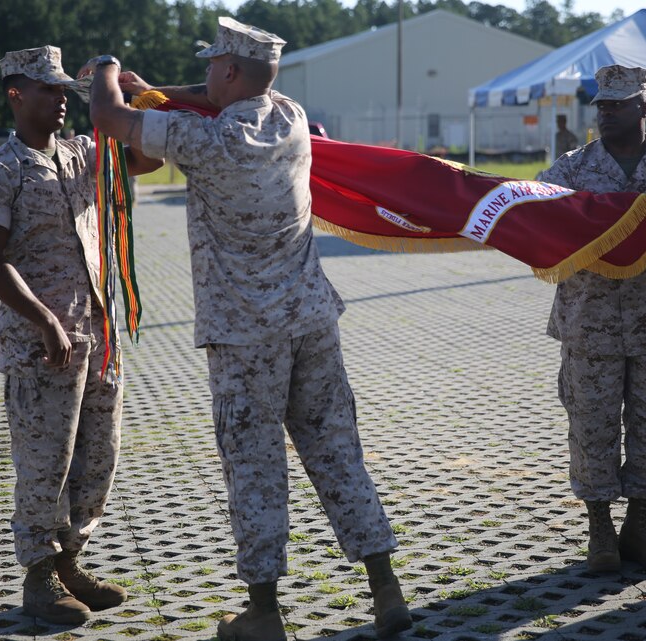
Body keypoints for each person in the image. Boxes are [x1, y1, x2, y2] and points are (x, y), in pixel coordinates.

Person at [85, 17, 412, 641]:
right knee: (338, 453)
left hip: (245, 338)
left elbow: (108, 117)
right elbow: (206, 98)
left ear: (231, 72)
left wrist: (104, 66)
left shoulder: (204, 140)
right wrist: (159, 89)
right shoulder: (290, 116)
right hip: (312, 321)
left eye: (213, 64)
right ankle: (386, 590)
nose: (205, 73)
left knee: (255, 467)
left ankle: (264, 614)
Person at [0, 45, 161, 626]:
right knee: (44, 461)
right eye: (48, 90)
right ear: (16, 93)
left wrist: (138, 98)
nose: (60, 101)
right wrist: (43, 319)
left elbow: (146, 158)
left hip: (97, 335)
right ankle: (38, 578)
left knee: (98, 455)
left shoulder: (81, 154)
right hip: (41, 345)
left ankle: (70, 561)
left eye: (64, 91)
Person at [537, 65, 646, 574]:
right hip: (588, 323)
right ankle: (600, 533)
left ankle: (640, 526)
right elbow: (542, 229)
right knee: (591, 426)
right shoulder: (569, 172)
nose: (606, 112)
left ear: (644, 107)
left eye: (618, 104)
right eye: (602, 104)